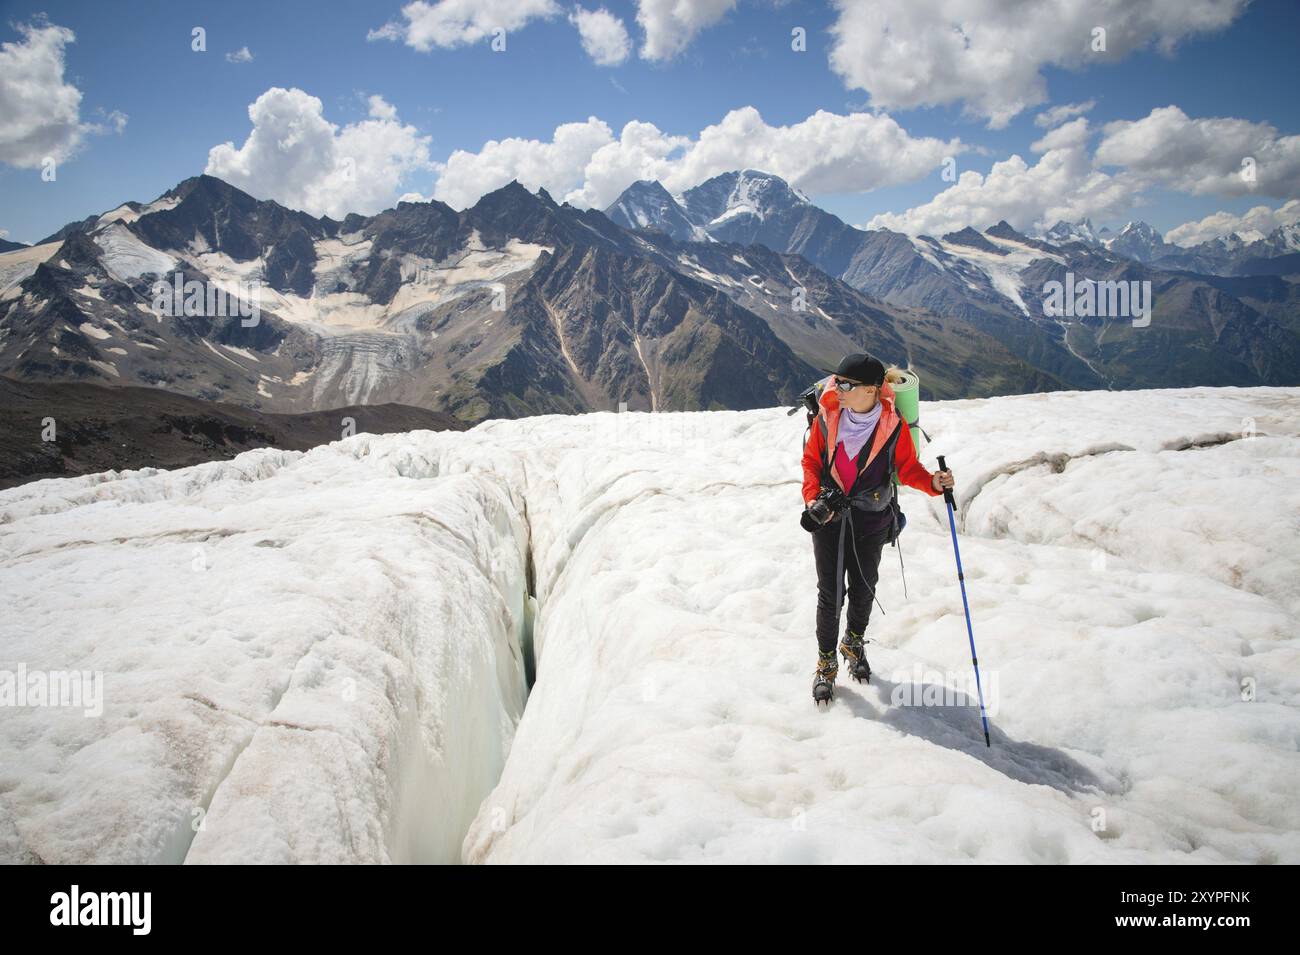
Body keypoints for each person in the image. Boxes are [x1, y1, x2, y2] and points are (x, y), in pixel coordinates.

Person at [799, 353, 955, 704]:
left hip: (872, 516)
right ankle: (826, 665)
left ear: (871, 390)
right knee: (831, 594)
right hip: (829, 517)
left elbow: (907, 467)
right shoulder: (827, 417)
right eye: (836, 381)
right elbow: (811, 462)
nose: (836, 388)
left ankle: (852, 642)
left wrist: (934, 482)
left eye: (846, 384)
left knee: (864, 587)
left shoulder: (893, 424)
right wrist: (813, 500)